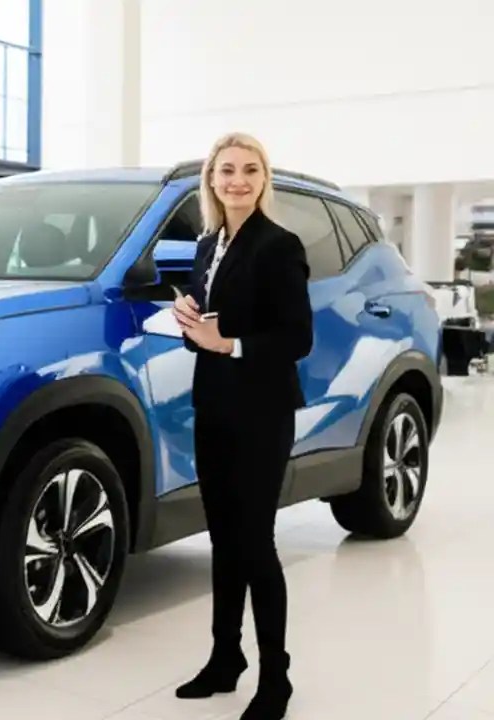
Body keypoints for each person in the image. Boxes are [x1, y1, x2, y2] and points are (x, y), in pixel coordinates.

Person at [172, 132, 313, 720]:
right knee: (224, 542)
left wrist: (224, 343)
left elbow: (296, 339)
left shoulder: (279, 246)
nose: (237, 180)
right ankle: (225, 659)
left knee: (255, 543)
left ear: (264, 179)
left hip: (262, 411)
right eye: (226, 170)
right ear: (211, 179)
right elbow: (208, 330)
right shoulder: (209, 245)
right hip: (215, 406)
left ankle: (275, 678)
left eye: (249, 170)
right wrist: (188, 324)